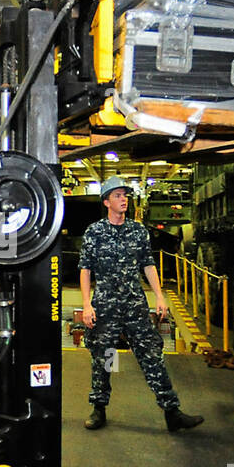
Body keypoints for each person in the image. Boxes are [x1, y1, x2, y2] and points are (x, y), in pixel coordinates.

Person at [79, 176, 203, 434]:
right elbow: (85, 269)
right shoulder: (94, 232)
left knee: (151, 356)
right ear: (106, 202)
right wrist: (87, 305)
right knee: (103, 357)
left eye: (125, 194)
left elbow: (148, 264)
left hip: (135, 305)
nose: (123, 199)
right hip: (105, 306)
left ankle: (172, 412)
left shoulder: (138, 231)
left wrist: (159, 296)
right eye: (117, 195)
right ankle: (99, 408)